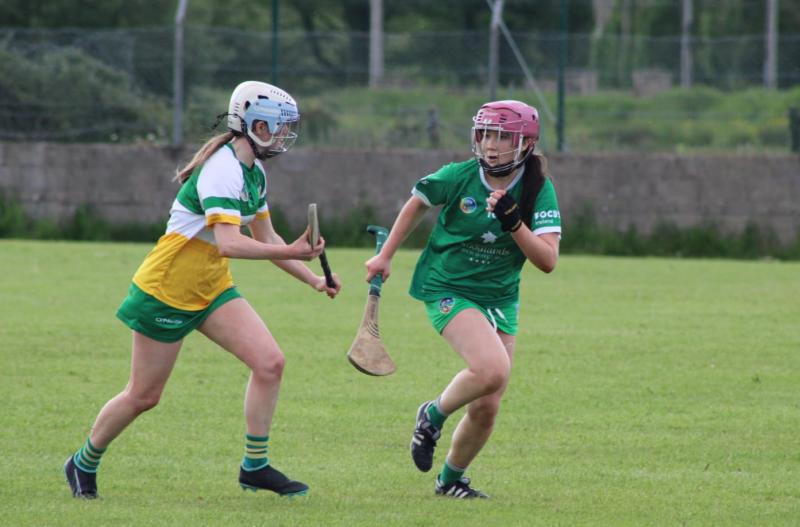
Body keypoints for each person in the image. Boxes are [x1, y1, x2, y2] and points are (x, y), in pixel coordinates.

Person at [64, 81, 341, 499]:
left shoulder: (254, 171)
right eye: (277, 127)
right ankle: (82, 461)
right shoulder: (223, 169)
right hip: (166, 290)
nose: (283, 136)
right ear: (253, 124)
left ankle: (255, 467)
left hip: (211, 289)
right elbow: (230, 242)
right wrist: (294, 250)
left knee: (270, 363)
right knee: (143, 396)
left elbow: (264, 236)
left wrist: (313, 278)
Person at [365, 100, 561, 499]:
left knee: (488, 405)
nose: (491, 145)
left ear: (525, 143)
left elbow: (547, 261)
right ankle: (432, 415)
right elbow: (418, 200)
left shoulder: (538, 188)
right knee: (492, 369)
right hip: (448, 286)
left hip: (500, 298)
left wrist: (514, 224)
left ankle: (451, 479)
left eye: (503, 136)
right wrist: (386, 255)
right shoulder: (458, 176)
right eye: (486, 134)